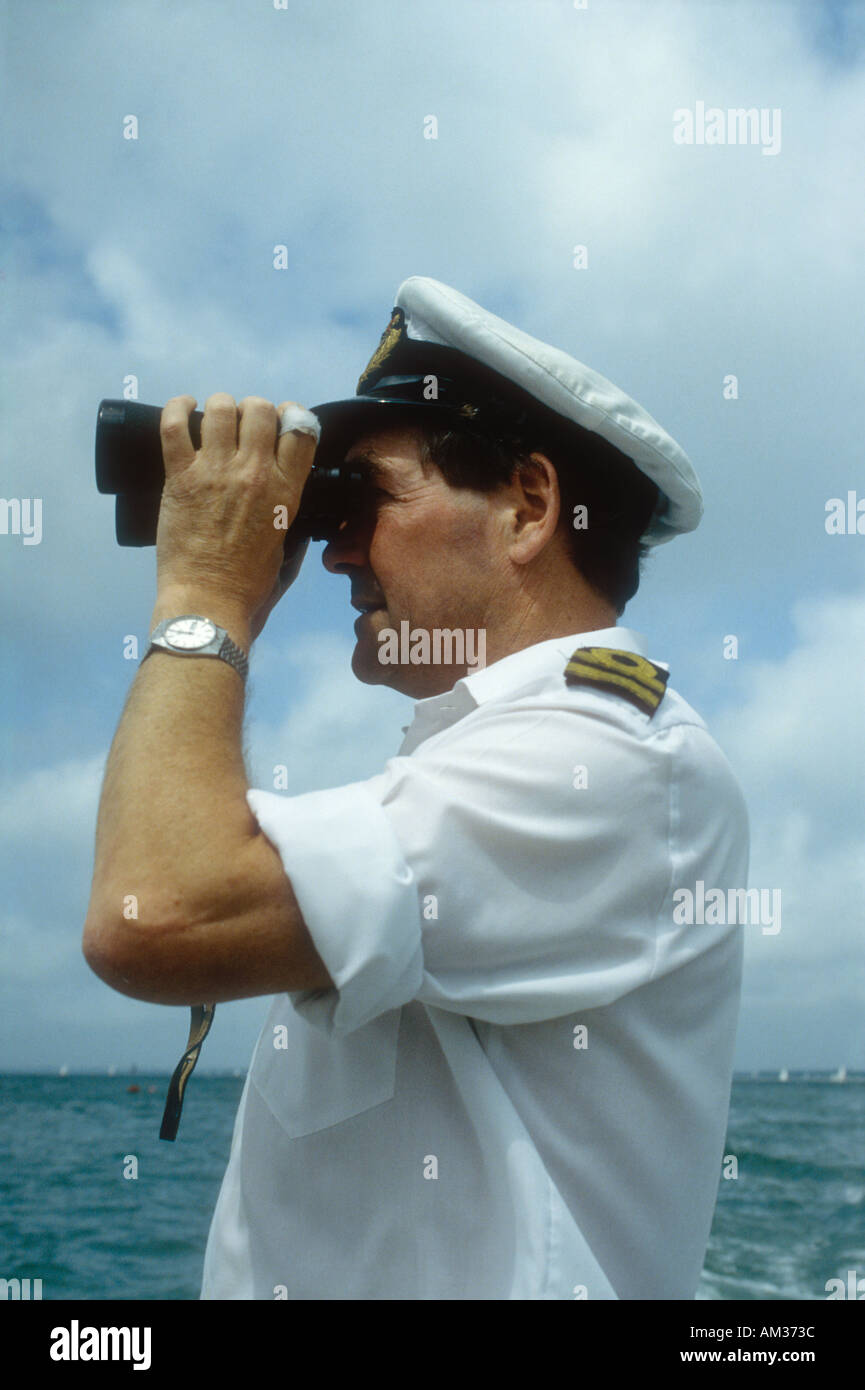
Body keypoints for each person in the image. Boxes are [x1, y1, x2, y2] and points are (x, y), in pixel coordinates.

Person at [83, 276, 749, 1300]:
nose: (334, 543)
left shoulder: (612, 763)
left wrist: (204, 593)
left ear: (529, 506)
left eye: (364, 498)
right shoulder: (474, 760)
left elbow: (156, 911)